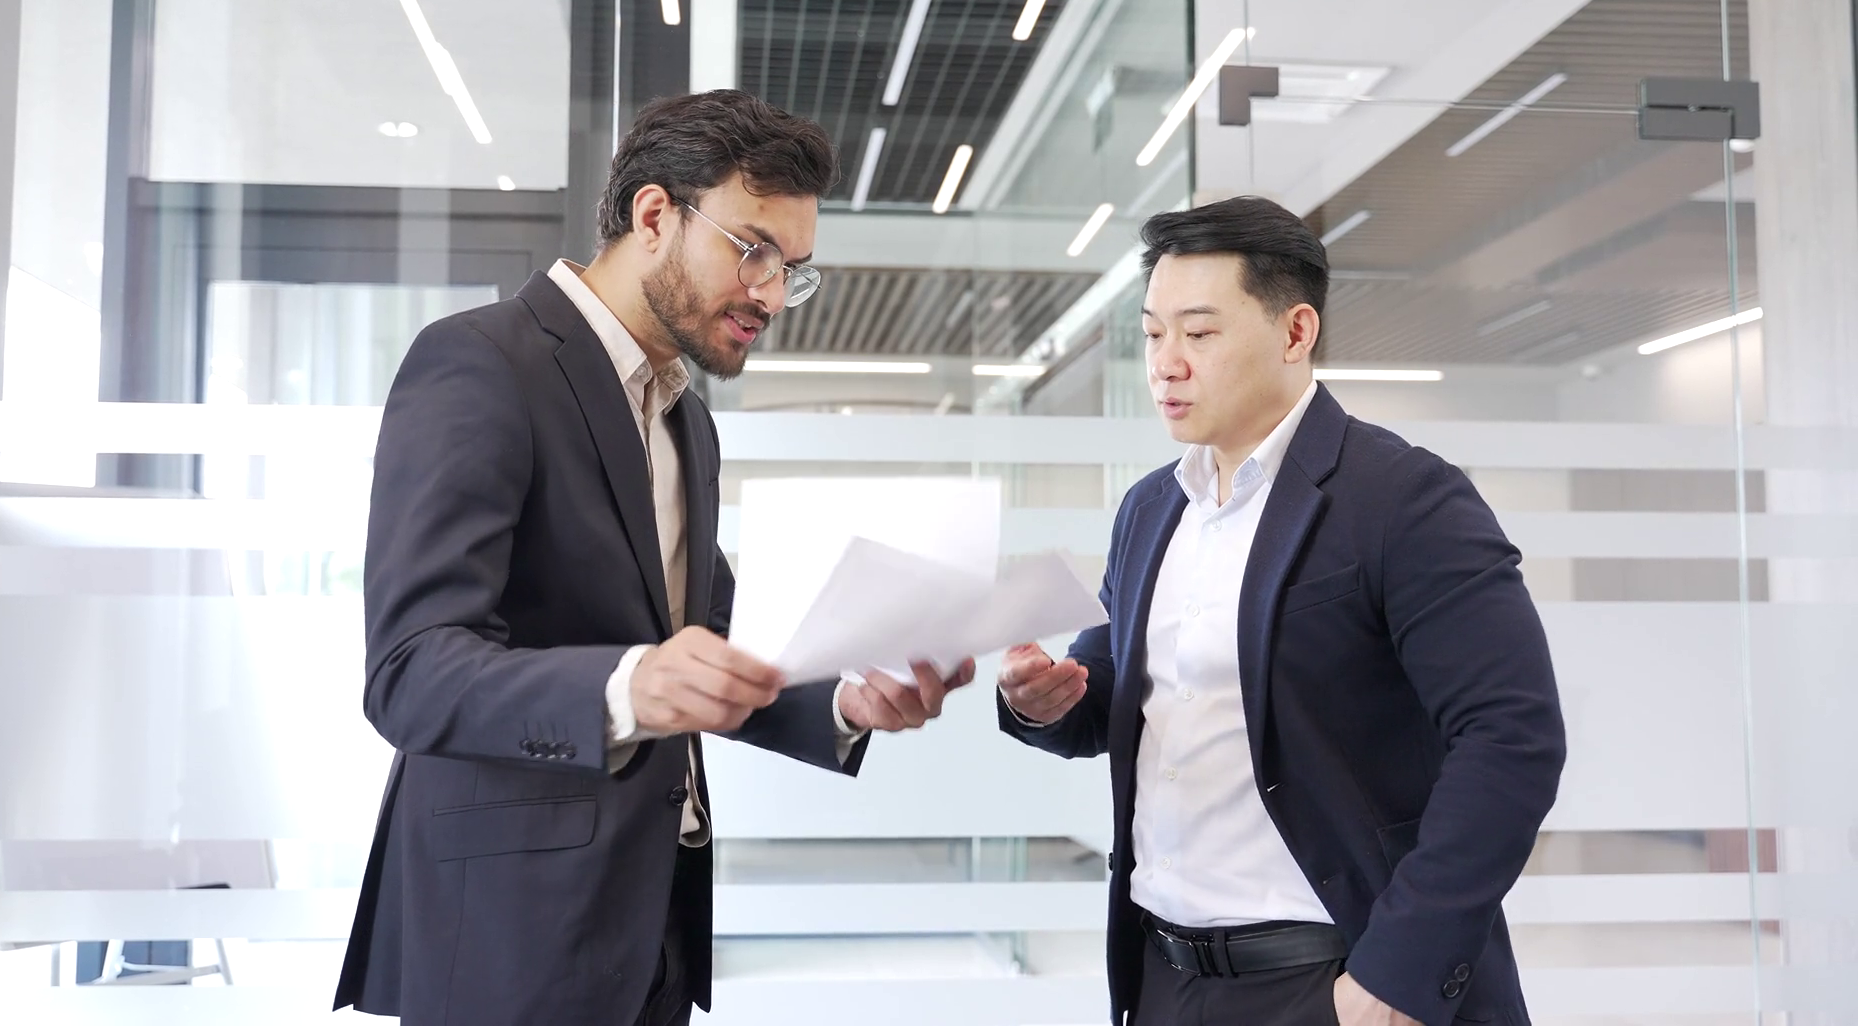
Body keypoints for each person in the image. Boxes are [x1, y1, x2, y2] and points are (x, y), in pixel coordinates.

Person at [334, 89, 974, 1026]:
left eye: (791, 269)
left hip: (655, 926)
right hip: (512, 936)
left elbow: (707, 643)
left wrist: (843, 700)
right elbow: (410, 670)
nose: (769, 293)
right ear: (653, 216)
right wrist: (631, 688)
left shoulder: (685, 419)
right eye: (752, 248)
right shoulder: (481, 363)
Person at [997, 196, 1566, 1026]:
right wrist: (1046, 699)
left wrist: (1392, 984)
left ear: (1296, 333)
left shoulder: (1403, 498)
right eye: (1153, 334)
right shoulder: (1152, 509)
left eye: (1199, 334)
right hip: (1162, 977)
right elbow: (1113, 680)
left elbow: (1513, 740)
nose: (1166, 364)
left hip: (1330, 981)